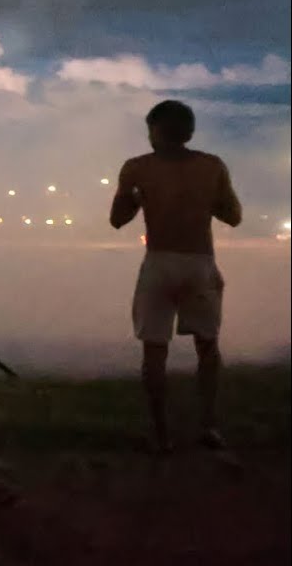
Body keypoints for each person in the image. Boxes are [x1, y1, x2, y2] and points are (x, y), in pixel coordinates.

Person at [109, 99, 242, 455]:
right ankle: (209, 426)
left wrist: (138, 197)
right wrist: (203, 201)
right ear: (189, 132)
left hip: (159, 262)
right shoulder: (211, 166)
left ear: (154, 131)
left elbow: (117, 218)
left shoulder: (137, 168)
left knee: (155, 349)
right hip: (199, 261)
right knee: (207, 346)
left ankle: (161, 434)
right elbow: (233, 216)